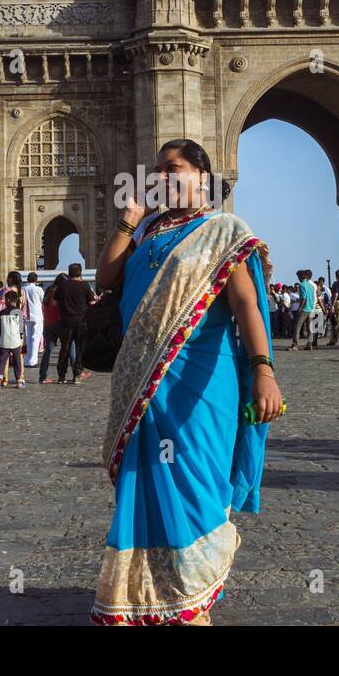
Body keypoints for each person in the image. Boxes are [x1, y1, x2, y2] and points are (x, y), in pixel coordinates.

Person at [91, 138, 281, 625]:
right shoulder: (149, 229)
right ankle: (143, 598)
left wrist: (263, 370)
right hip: (143, 382)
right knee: (145, 483)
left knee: (194, 483)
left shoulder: (224, 231)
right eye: (157, 171)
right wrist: (129, 218)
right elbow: (105, 277)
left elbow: (245, 307)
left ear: (202, 173)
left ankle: (190, 598)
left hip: (200, 383)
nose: (163, 177)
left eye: (173, 168)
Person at [57, 262, 93, 384]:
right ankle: (77, 374)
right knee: (80, 349)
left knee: (65, 348)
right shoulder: (85, 285)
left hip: (66, 321)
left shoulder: (62, 286)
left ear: (69, 272)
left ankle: (61, 376)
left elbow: (55, 303)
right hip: (81, 321)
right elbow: (92, 303)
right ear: (80, 272)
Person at [37, 273, 68, 384]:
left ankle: (43, 376)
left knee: (48, 351)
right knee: (68, 347)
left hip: (48, 324)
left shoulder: (48, 291)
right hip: (58, 323)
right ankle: (67, 374)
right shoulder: (58, 292)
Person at [0, 289, 26, 389]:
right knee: (17, 361)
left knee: (2, 361)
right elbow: (21, 329)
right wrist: (21, 341)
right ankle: (19, 381)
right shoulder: (18, 312)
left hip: (4, 340)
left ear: (7, 300)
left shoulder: (2, 313)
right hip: (16, 341)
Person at [288, 269, 317, 350]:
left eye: (298, 277)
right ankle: (310, 344)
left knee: (297, 326)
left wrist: (300, 308)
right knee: (310, 328)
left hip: (305, 308)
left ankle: (295, 345)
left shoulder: (301, 285)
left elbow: (303, 298)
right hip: (311, 308)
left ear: (301, 277)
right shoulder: (311, 285)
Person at [22, 271, 46, 365]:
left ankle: (27, 359)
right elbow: (43, 301)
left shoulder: (23, 289)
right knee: (36, 337)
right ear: (36, 280)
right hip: (37, 315)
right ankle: (33, 360)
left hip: (27, 315)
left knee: (28, 337)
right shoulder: (39, 289)